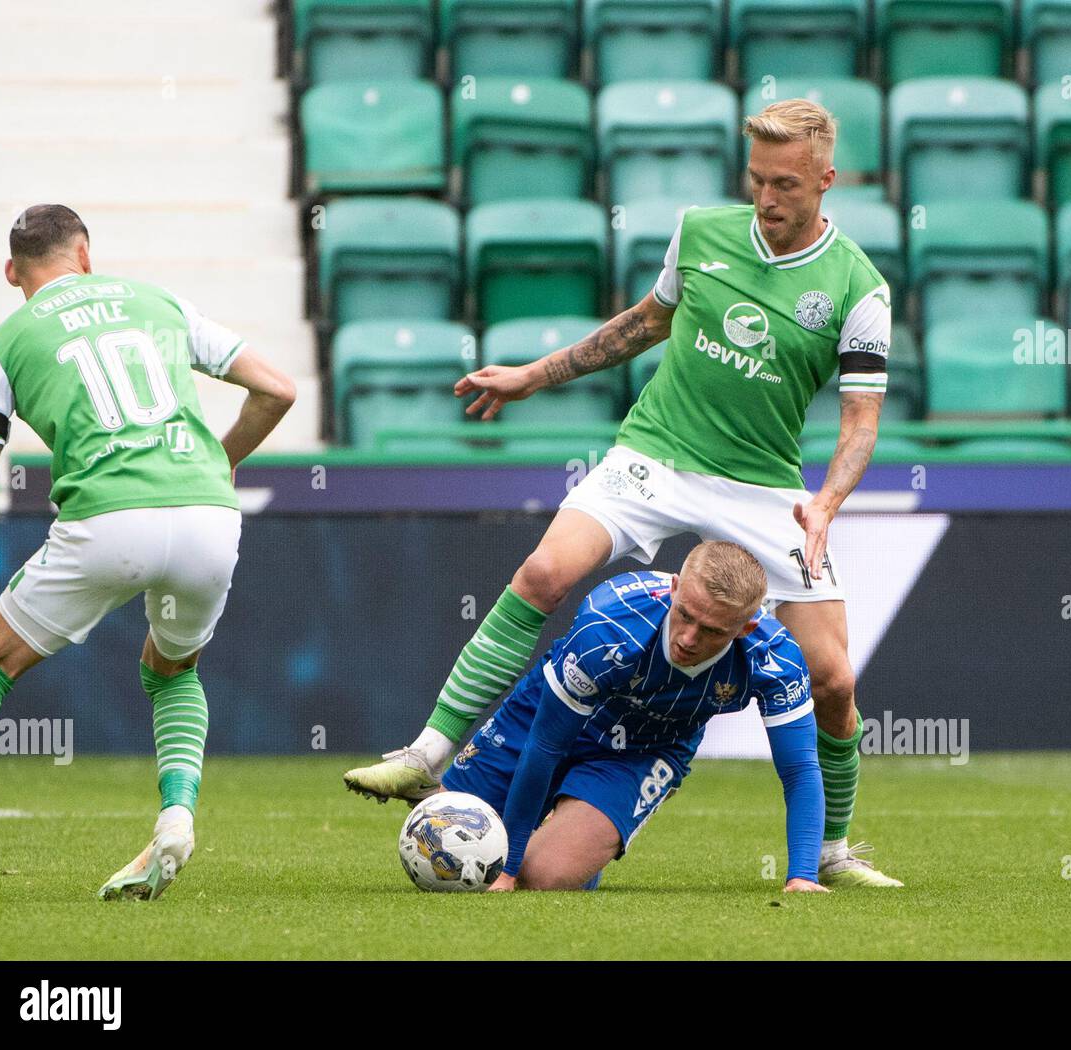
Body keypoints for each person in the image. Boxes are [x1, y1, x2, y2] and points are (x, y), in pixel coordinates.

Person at [346, 97, 901, 887]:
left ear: (826, 181)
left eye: (786, 184)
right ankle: (426, 752)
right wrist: (534, 375)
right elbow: (643, 324)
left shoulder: (859, 289)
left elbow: (860, 421)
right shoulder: (701, 232)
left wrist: (830, 501)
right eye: (757, 180)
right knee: (543, 574)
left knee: (836, 679)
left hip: (764, 488)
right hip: (657, 454)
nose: (768, 199)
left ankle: (835, 851)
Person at [0, 204, 296, 900]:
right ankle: (175, 817)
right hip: (209, 514)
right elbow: (278, 389)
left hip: (108, 520)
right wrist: (221, 462)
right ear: (85, 253)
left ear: (11, 272)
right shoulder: (161, 302)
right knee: (172, 670)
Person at [434, 542, 824, 891]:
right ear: (674, 589)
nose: (688, 639)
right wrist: (508, 869)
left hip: (645, 750)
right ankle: (556, 827)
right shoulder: (610, 623)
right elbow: (546, 745)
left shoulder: (775, 658)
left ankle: (580, 840)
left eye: (711, 631)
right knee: (443, 836)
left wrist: (802, 877)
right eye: (685, 615)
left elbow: (800, 770)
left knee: (543, 877)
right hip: (550, 714)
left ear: (746, 627)